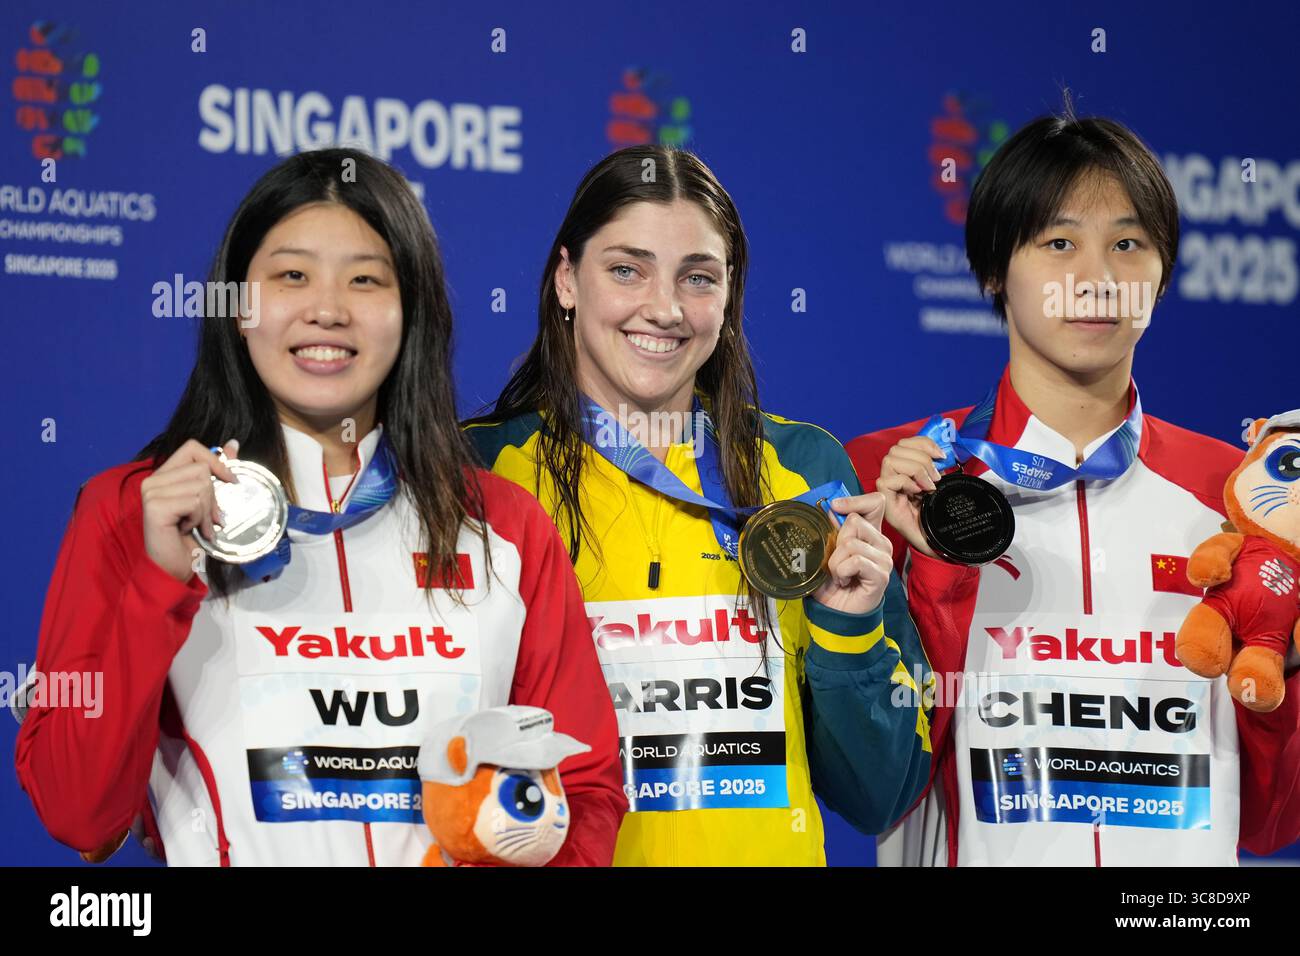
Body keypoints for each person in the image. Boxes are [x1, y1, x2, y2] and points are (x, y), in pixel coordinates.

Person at [15, 148, 624, 866]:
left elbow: (585, 790)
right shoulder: (132, 512)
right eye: (291, 275)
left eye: (366, 279)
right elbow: (77, 812)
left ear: (411, 312)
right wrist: (156, 584)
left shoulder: (505, 526)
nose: (328, 310)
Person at [848, 109, 1300, 866]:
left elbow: (1271, 822)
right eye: (1059, 244)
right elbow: (872, 782)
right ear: (995, 269)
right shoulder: (890, 477)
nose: (1097, 280)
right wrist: (935, 568)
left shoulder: (1242, 496)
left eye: (1128, 244)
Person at [466, 144, 932, 866]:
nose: (665, 308)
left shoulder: (804, 471)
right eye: (627, 269)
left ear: (729, 293)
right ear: (566, 279)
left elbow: (880, 796)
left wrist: (847, 634)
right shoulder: (476, 473)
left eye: (698, 278)